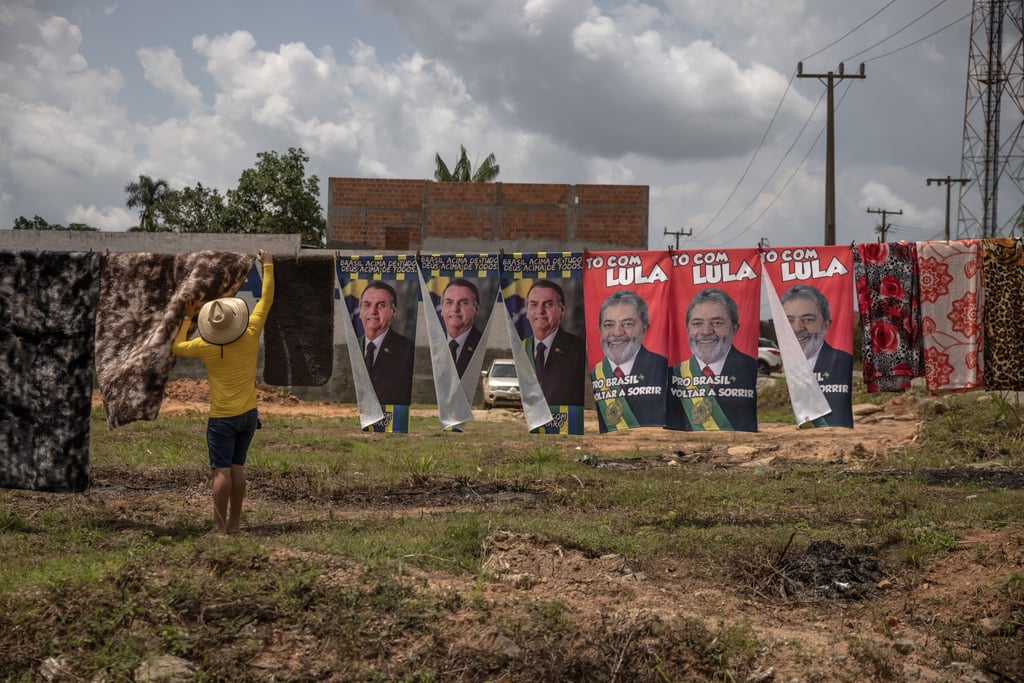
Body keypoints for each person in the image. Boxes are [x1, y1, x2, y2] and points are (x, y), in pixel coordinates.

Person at [172, 249, 274, 534]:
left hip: (222, 419)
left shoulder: (206, 346)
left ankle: (218, 528)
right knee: (238, 468)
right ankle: (235, 524)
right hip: (249, 416)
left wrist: (185, 319)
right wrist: (268, 266)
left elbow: (176, 347)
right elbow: (266, 299)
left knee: (222, 471)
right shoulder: (251, 333)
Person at [668, 287, 758, 432]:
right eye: (697, 323)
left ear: (734, 328)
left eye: (716, 323)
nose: (706, 332)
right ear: (687, 328)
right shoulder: (671, 375)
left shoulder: (751, 369)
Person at [590, 289, 668, 430]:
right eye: (609, 325)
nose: (617, 333)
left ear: (644, 328)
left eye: (627, 324)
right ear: (600, 330)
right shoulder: (595, 374)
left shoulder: (663, 368)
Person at [781, 283, 854, 427]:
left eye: (808, 320)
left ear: (826, 325)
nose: (797, 328)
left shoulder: (843, 360)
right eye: (789, 320)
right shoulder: (788, 362)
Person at [523, 279, 586, 406]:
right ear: (527, 311)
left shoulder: (579, 349)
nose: (540, 310)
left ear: (561, 310)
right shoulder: (520, 348)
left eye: (548, 304)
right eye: (534, 304)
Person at [358, 281, 415, 405]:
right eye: (367, 305)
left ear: (393, 311)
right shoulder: (350, 348)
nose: (373, 311)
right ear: (360, 311)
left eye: (381, 305)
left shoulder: (408, 351)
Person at [442, 278, 484, 377]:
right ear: (442, 308)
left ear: (476, 309)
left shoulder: (483, 344)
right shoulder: (433, 345)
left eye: (463, 303)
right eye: (449, 302)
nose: (455, 309)